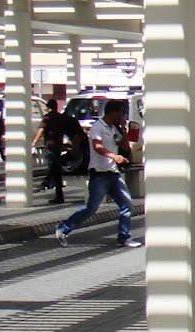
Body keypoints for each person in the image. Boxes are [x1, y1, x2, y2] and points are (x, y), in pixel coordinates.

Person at [55, 98, 141, 248]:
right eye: (120, 113)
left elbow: (125, 147)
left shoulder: (113, 128)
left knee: (126, 204)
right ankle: (64, 228)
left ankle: (124, 236)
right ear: (113, 112)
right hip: (100, 174)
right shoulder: (97, 127)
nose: (122, 116)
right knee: (91, 208)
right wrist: (114, 156)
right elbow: (97, 146)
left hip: (113, 174)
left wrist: (123, 129)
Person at [33, 98, 69, 204]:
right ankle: (53, 188)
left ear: (48, 107)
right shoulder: (61, 118)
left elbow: (41, 130)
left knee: (53, 168)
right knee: (55, 169)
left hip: (49, 145)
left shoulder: (47, 117)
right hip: (58, 146)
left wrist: (34, 142)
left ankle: (47, 183)